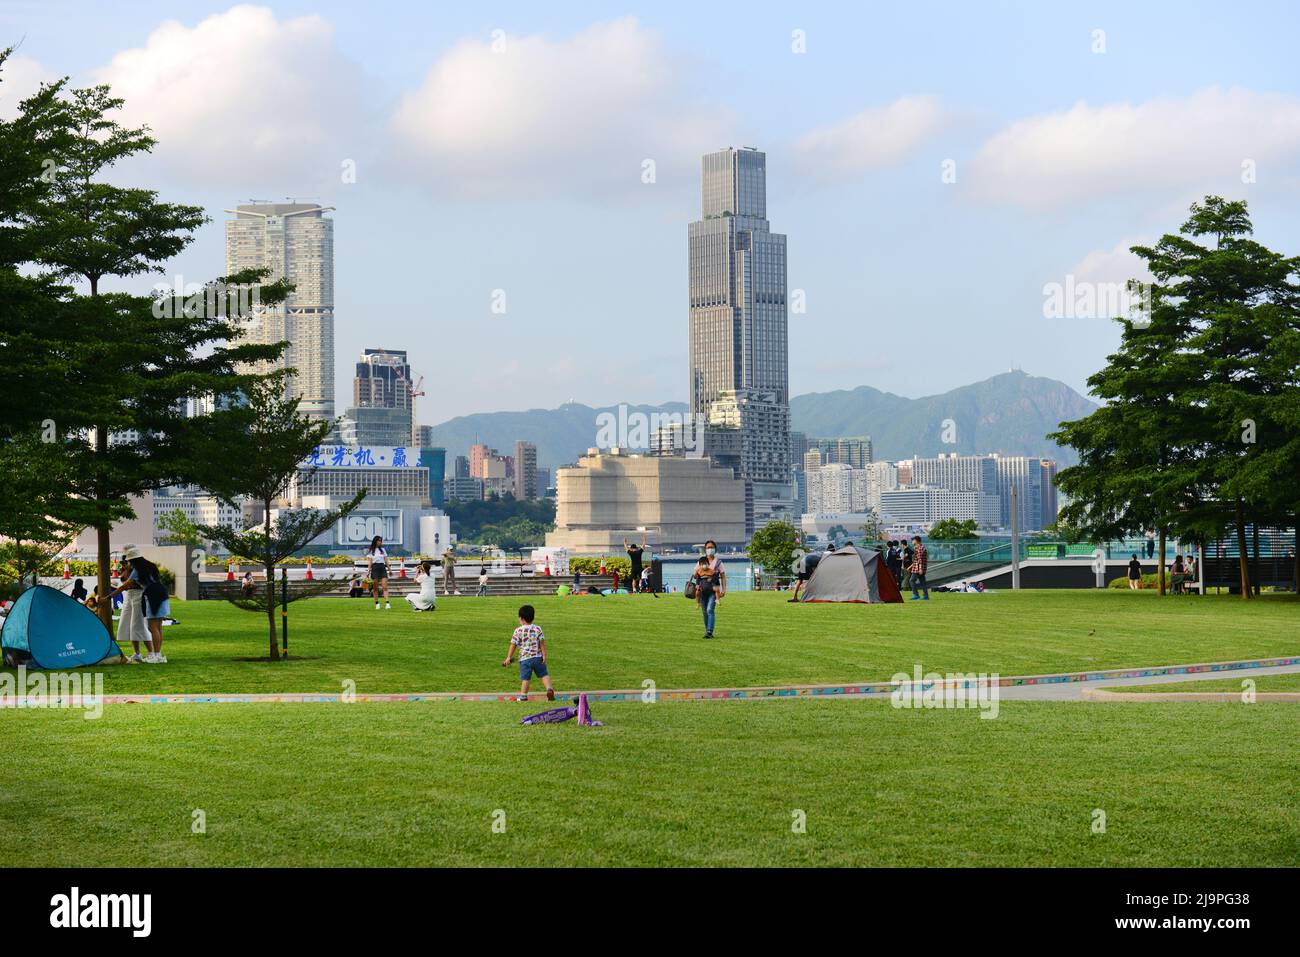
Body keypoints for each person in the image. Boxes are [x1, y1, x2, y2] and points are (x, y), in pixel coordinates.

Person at [111, 546, 168, 663]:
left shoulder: (137, 570)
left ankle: (155, 655)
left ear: (133, 560)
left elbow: (124, 585)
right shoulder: (151, 566)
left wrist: (109, 597)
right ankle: (158, 656)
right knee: (158, 627)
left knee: (152, 627)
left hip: (152, 595)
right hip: (161, 593)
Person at [502, 604, 555, 702]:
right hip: (538, 657)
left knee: (525, 678)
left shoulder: (518, 631)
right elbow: (542, 643)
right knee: (544, 674)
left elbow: (513, 644)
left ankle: (523, 696)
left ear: (521, 618)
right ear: (533, 617)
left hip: (525, 659)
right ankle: (549, 689)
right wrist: (544, 655)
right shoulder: (538, 629)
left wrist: (508, 657)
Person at [694, 540, 726, 639]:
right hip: (702, 591)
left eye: (712, 547)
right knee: (704, 612)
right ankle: (707, 630)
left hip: (713, 591)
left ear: (715, 549)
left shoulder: (718, 562)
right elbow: (696, 575)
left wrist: (723, 590)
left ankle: (709, 632)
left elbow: (723, 576)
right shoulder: (701, 561)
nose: (710, 549)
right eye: (708, 547)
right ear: (705, 549)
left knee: (710, 610)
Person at [365, 536, 391, 610]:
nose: (380, 542)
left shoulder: (383, 550)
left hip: (382, 568)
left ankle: (387, 603)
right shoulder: (371, 551)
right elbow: (370, 562)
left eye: (381, 541)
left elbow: (386, 560)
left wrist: (390, 570)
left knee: (385, 587)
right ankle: (377, 603)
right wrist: (368, 572)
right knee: (375, 588)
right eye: (379, 541)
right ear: (375, 541)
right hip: (375, 568)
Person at [908, 536, 929, 601]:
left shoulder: (920, 548)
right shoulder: (920, 548)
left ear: (916, 540)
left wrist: (920, 569)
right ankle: (925, 596)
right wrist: (910, 566)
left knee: (911, 580)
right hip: (918, 567)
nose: (912, 542)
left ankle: (916, 595)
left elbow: (920, 560)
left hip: (917, 568)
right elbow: (917, 560)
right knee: (923, 582)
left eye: (913, 540)